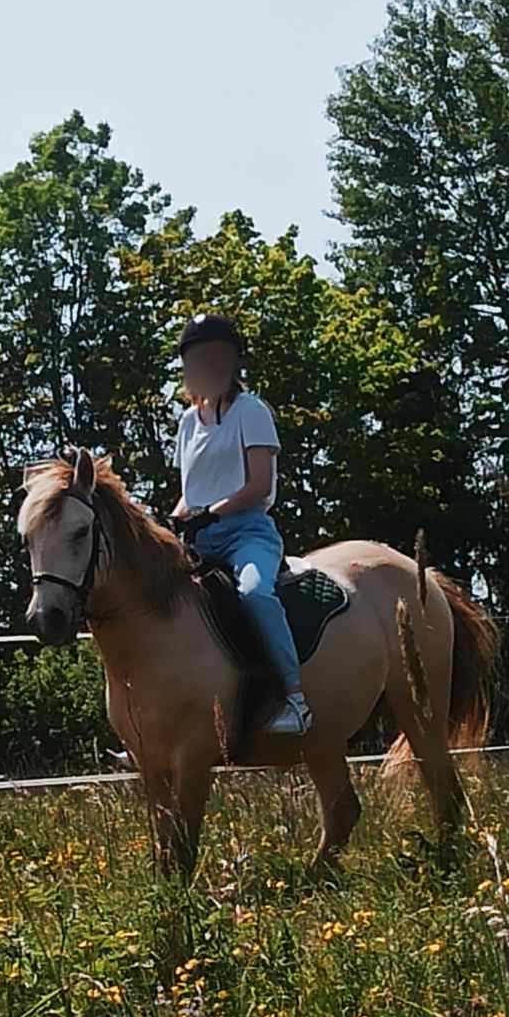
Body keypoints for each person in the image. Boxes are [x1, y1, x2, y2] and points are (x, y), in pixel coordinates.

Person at [169, 313, 313, 735]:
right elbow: (190, 491)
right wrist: (174, 521)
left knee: (254, 593)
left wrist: (210, 513)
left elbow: (258, 485)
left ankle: (296, 699)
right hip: (199, 538)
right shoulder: (187, 423)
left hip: (247, 532)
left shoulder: (252, 411)